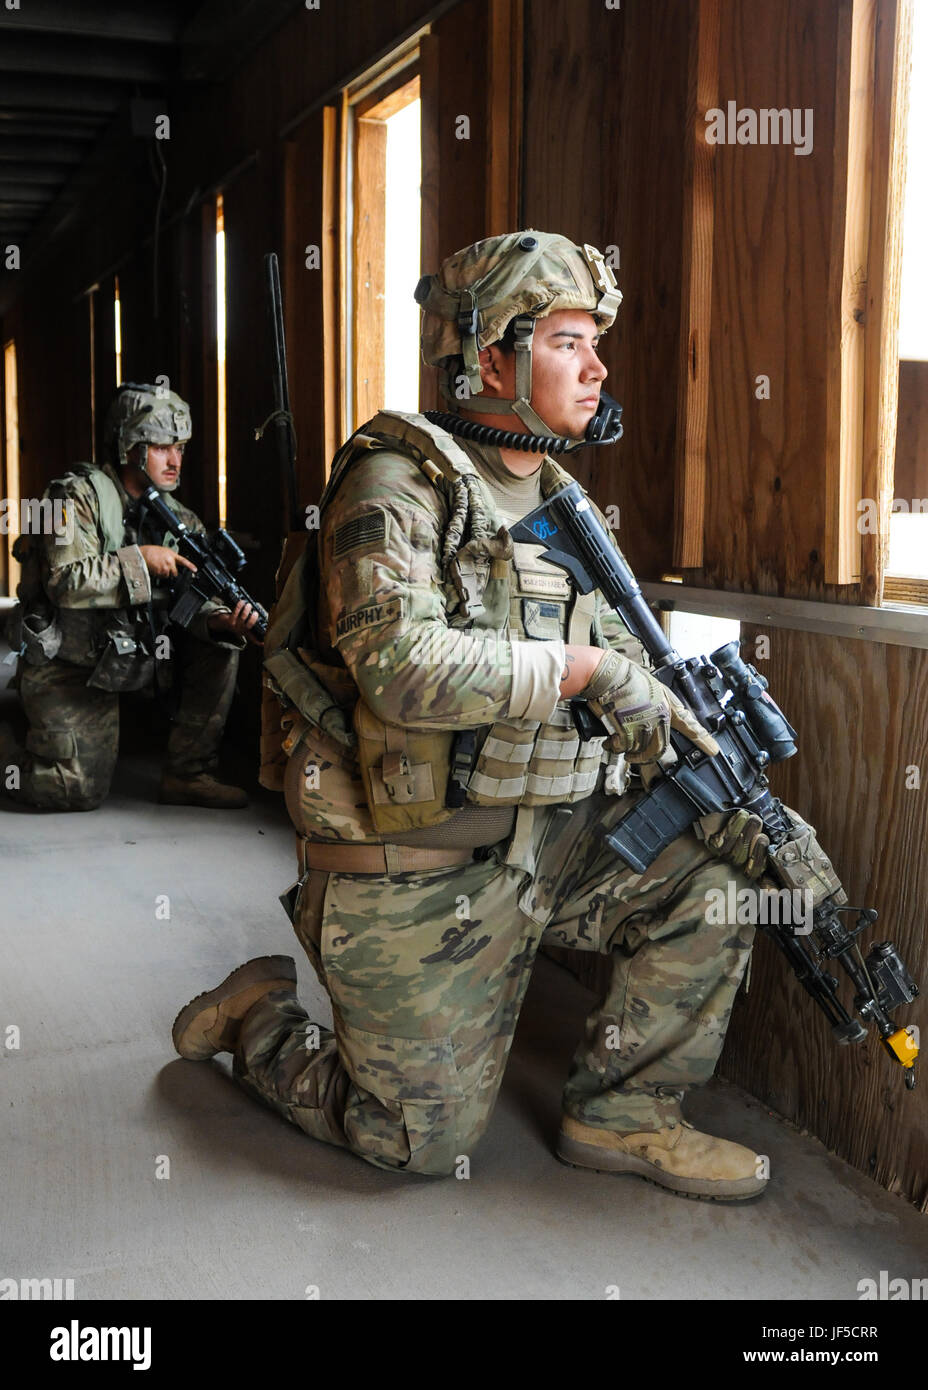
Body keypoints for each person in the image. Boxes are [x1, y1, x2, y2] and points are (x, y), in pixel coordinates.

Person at [173, 232, 774, 1199]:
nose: (597, 364)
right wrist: (581, 673)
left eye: (594, 341)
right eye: (568, 341)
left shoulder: (561, 501)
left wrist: (663, 709)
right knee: (410, 1144)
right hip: (411, 855)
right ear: (491, 357)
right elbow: (400, 669)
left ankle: (624, 1113)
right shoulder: (394, 483)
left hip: (540, 836)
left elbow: (618, 657)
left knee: (721, 875)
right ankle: (257, 1015)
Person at [0, 382, 260, 811]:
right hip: (72, 665)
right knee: (72, 789)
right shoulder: (72, 496)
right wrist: (140, 560)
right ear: (130, 446)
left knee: (220, 644)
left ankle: (188, 773)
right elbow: (64, 581)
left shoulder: (179, 519)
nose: (175, 459)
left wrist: (218, 622)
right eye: (160, 447)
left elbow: (188, 599)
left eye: (180, 447)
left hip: (134, 661)